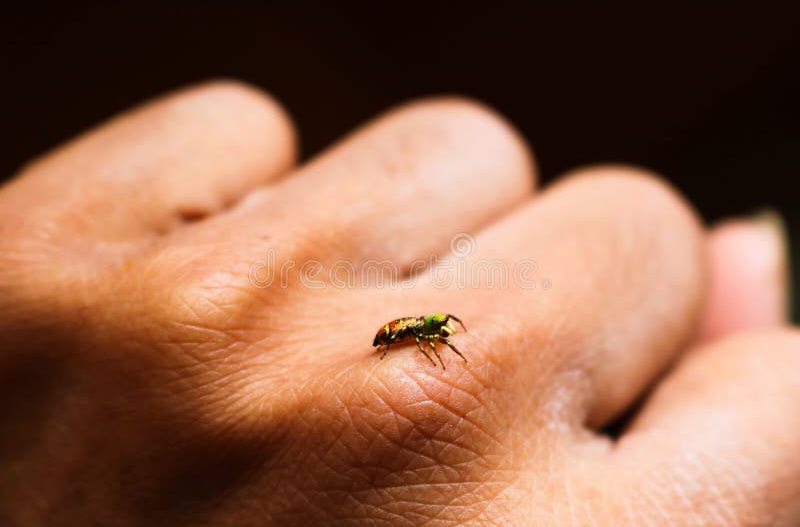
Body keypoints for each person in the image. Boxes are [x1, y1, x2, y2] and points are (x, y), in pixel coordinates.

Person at [0, 81, 794, 525]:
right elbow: (411, 349)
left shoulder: (432, 341)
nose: (442, 338)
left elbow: (428, 358)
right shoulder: (415, 338)